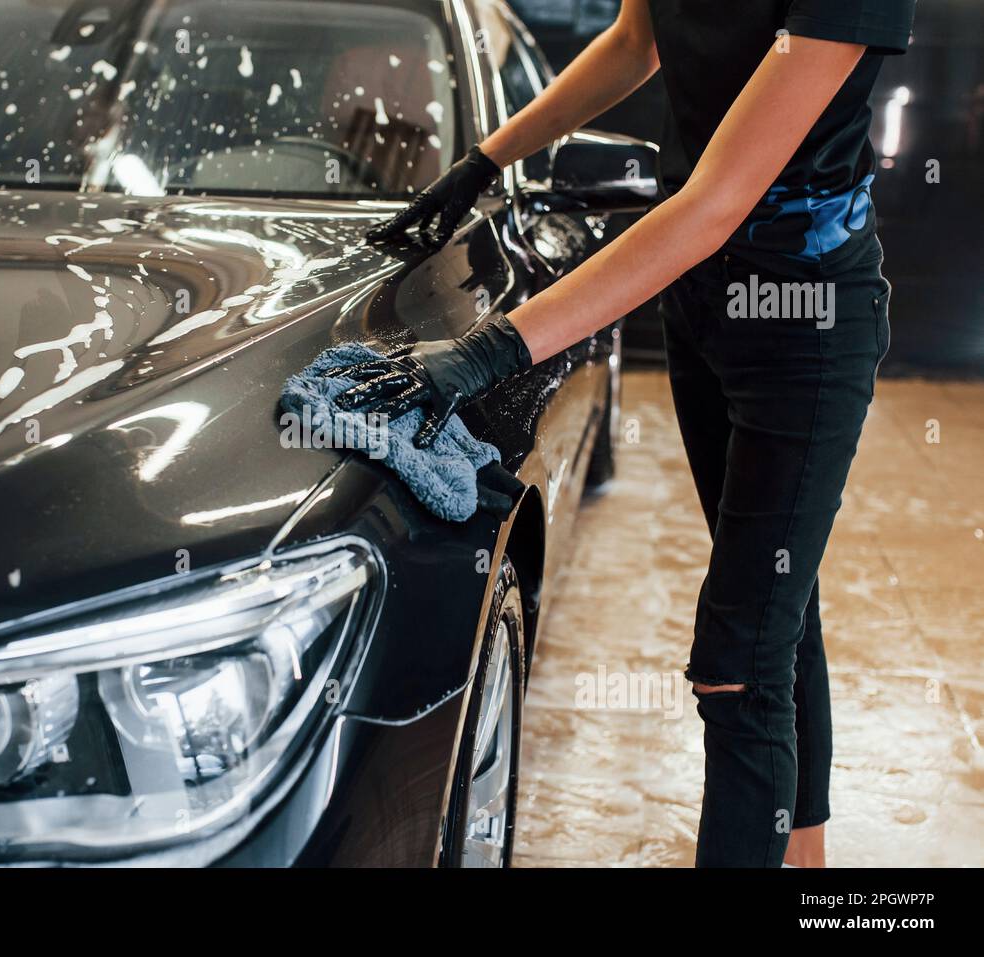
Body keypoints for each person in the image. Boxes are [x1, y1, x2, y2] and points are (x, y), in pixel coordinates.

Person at [333, 0, 918, 867]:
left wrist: (495, 347)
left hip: (806, 319)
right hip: (702, 304)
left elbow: (715, 200)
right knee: (778, 614)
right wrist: (486, 160)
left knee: (736, 665)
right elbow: (636, 39)